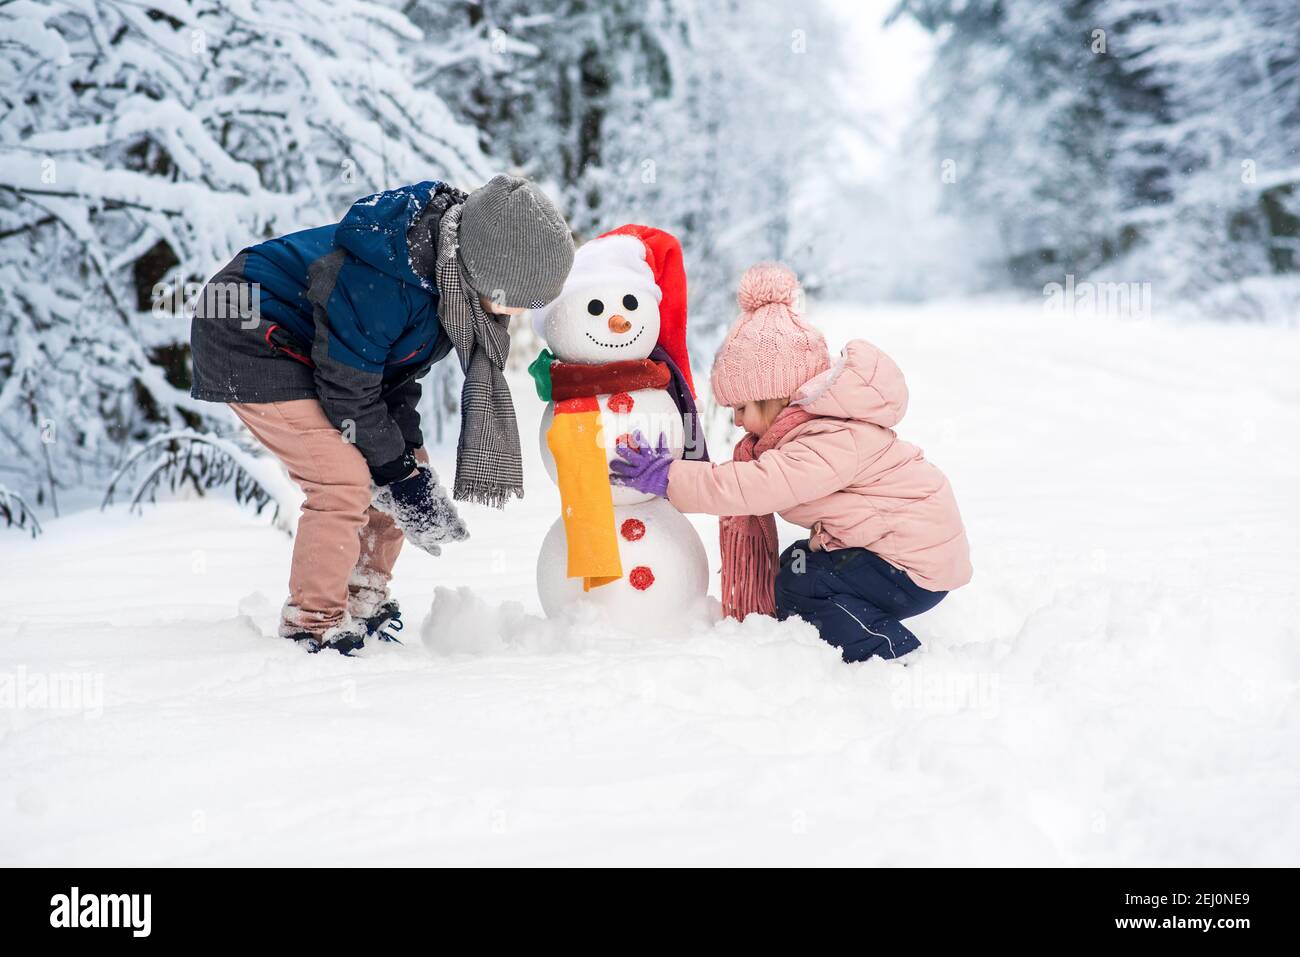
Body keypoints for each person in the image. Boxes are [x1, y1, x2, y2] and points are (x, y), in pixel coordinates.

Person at [190, 175, 574, 653]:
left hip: (321, 356)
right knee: (342, 478)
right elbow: (349, 389)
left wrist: (406, 466)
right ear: (488, 268)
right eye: (518, 297)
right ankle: (313, 624)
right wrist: (396, 473)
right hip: (247, 331)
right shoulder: (392, 279)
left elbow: (390, 380)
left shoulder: (449, 288)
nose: (516, 313)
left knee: (408, 468)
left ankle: (363, 596)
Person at [611, 262, 971, 662]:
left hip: (911, 568)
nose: (737, 422)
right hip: (896, 555)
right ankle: (834, 624)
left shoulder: (827, 439)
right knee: (794, 568)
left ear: (776, 398)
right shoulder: (818, 429)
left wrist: (669, 477)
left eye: (742, 408)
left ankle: (892, 653)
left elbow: (754, 486)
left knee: (807, 586)